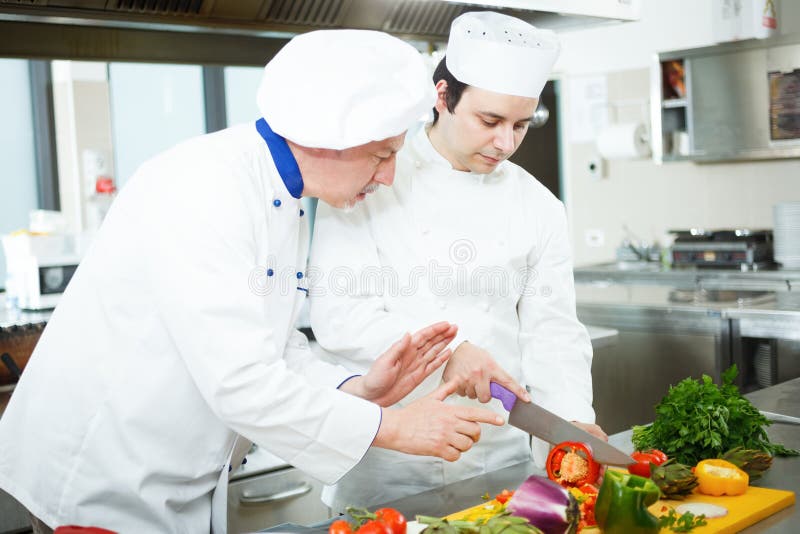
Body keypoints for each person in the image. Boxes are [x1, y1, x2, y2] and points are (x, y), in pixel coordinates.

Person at [0, 30, 506, 533]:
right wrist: (394, 427)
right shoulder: (204, 189)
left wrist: (359, 388)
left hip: (171, 476)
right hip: (101, 478)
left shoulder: (284, 194)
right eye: (380, 155)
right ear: (326, 140)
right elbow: (241, 383)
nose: (389, 176)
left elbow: (274, 350)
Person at [308, 11, 607, 511]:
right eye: (489, 121)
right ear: (442, 96)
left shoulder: (539, 206)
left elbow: (552, 329)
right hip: (391, 465)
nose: (505, 143)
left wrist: (571, 419)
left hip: (503, 462)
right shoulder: (371, 178)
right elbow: (341, 314)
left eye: (520, 124)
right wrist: (451, 352)